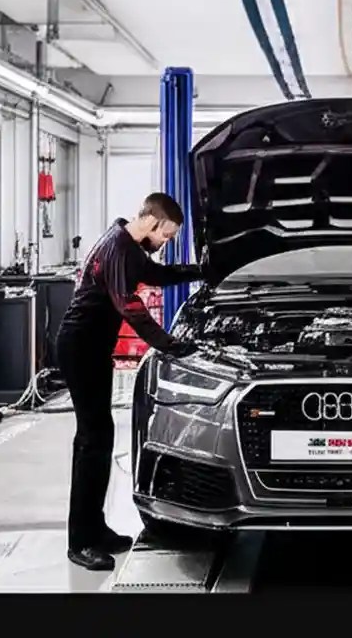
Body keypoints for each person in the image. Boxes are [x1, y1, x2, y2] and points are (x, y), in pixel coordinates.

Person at [55, 192, 203, 571]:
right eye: (166, 237)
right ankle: (80, 541)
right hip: (80, 349)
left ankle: (96, 528)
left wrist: (202, 270)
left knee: (100, 437)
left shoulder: (128, 245)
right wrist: (170, 345)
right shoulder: (119, 247)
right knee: (91, 440)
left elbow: (159, 275)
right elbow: (130, 307)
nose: (164, 244)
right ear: (152, 223)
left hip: (91, 349)